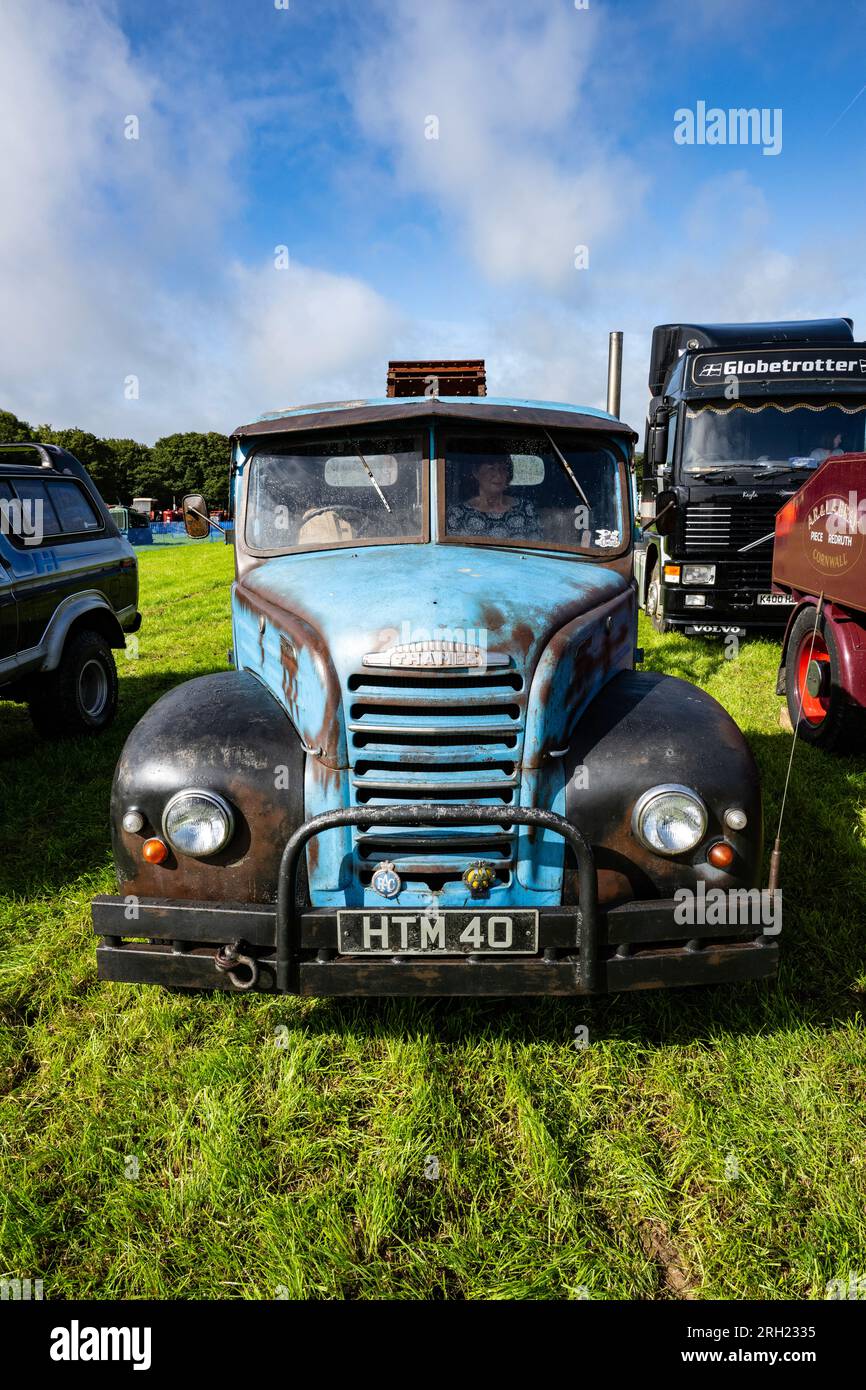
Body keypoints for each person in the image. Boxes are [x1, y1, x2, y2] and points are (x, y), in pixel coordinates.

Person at [446, 455, 540, 539]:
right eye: (491, 468)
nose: (498, 475)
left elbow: (536, 544)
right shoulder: (458, 514)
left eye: (503, 469)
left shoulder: (525, 509)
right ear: (476, 472)